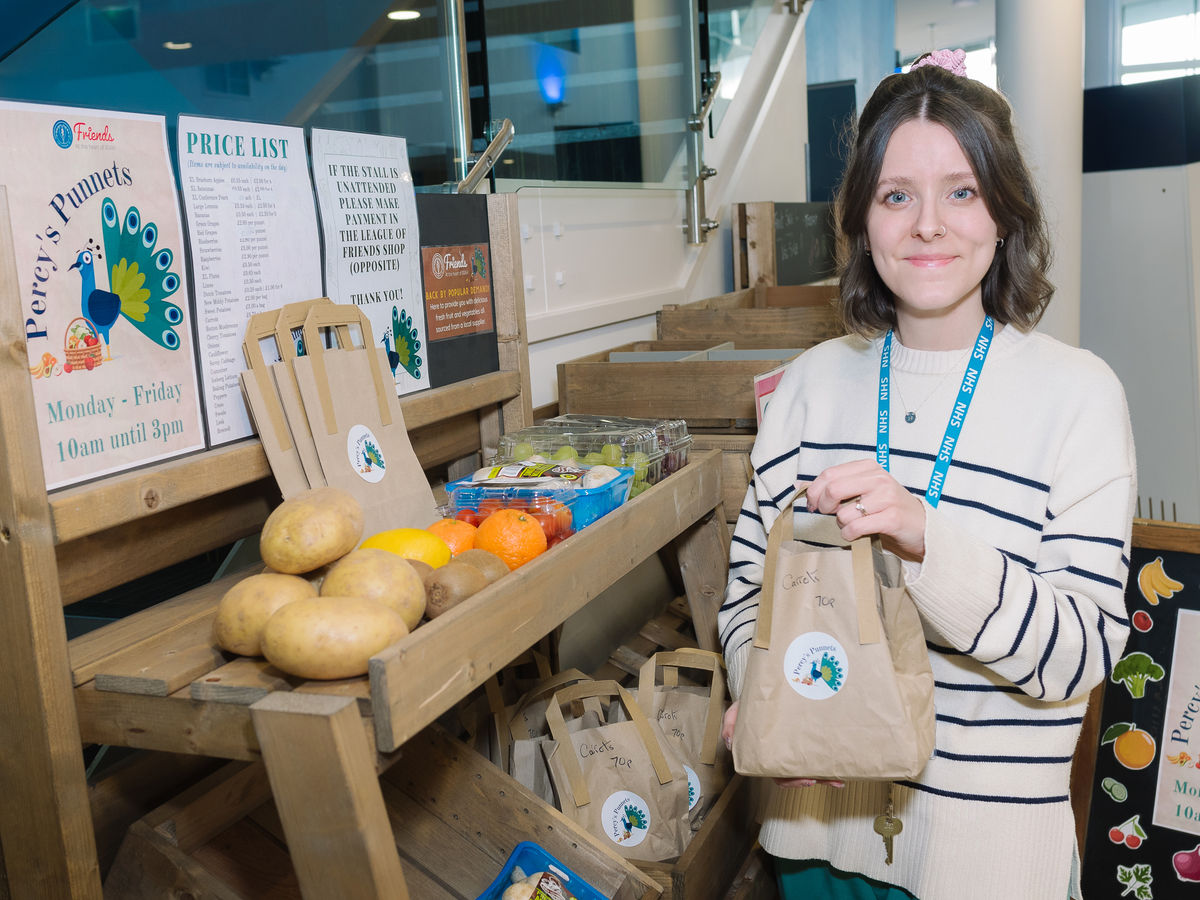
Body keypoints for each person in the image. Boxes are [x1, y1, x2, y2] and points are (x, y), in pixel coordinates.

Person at [718, 49, 1136, 900]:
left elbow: (1079, 655)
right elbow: (747, 596)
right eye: (896, 196)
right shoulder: (808, 387)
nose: (928, 226)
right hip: (814, 843)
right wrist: (771, 697)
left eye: (962, 192)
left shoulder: (1080, 396)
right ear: (862, 221)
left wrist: (925, 543)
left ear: (1004, 212)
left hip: (985, 865)